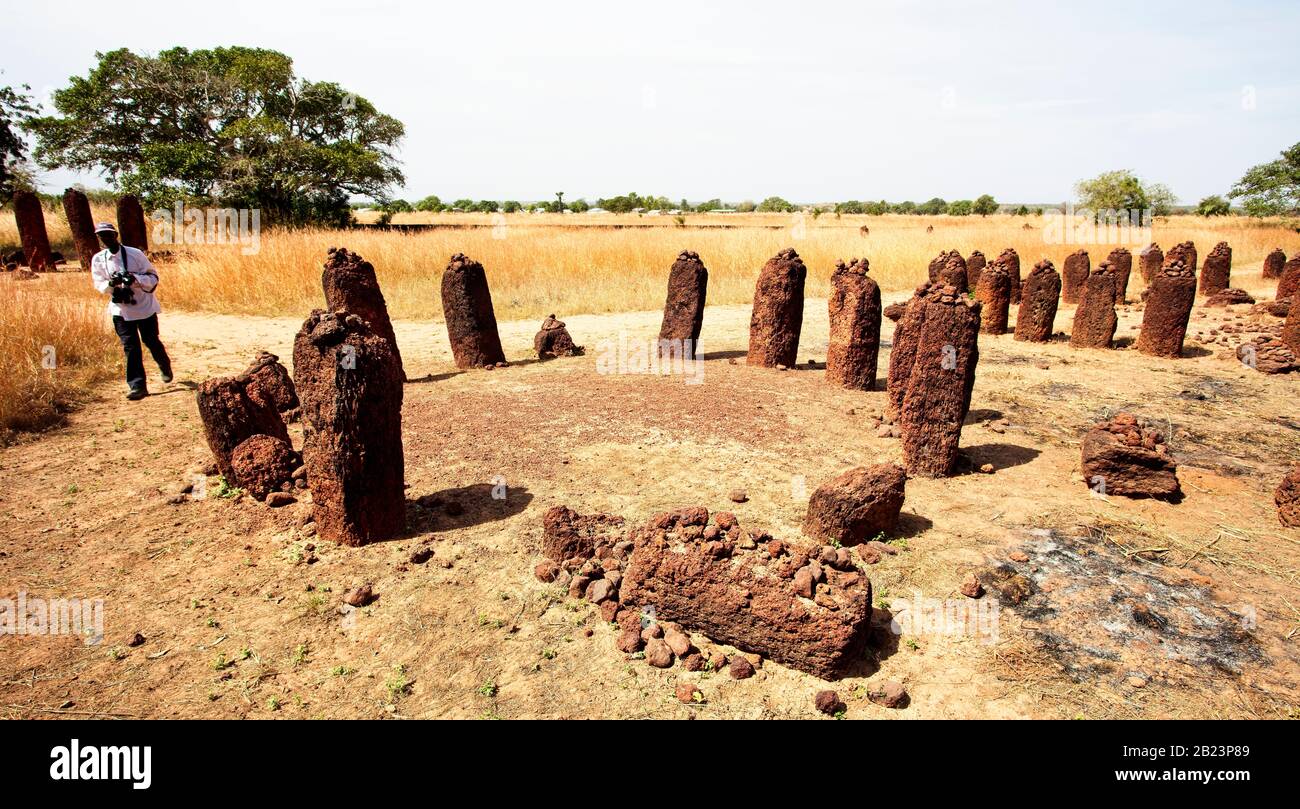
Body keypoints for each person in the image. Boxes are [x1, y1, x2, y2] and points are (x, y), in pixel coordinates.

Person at [90, 222, 173, 400]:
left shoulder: (135, 254)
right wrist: (111, 284)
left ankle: (164, 364)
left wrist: (134, 279)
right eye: (101, 235)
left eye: (108, 234)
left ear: (116, 235)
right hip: (120, 309)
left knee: (151, 340)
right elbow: (98, 283)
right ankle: (137, 386)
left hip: (144, 306)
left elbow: (153, 277)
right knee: (130, 347)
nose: (105, 238)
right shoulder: (98, 259)